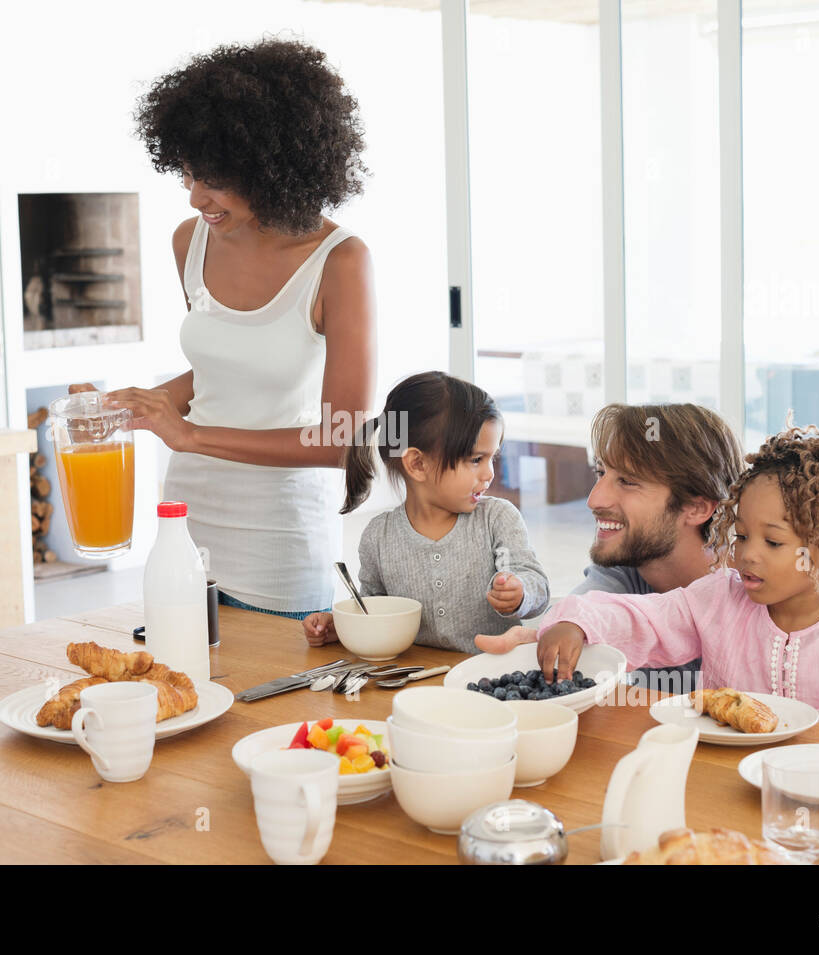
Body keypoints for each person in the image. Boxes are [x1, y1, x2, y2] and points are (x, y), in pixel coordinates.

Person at [77, 37, 375, 619]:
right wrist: (126, 406)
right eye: (187, 174)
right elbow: (223, 368)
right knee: (187, 692)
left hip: (280, 543)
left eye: (212, 179)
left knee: (272, 709)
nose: (195, 197)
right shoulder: (190, 242)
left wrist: (190, 436)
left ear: (271, 166)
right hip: (187, 522)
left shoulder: (339, 262)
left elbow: (345, 439)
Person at [476, 402, 819, 704]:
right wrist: (558, 625)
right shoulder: (660, 587)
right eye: (745, 536)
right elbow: (619, 617)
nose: (593, 499)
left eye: (627, 481)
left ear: (699, 507)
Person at [501, 426, 819, 739]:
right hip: (719, 779)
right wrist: (576, 622)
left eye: (773, 541)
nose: (748, 553)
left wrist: (800, 723)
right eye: (741, 535)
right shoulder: (720, 598)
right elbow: (644, 620)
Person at [303, 372, 549, 654]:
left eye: (492, 457)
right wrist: (346, 625)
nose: (489, 473)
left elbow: (536, 584)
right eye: (476, 460)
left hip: (491, 677)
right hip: (415, 679)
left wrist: (521, 593)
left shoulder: (497, 519)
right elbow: (373, 608)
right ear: (417, 464)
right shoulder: (378, 537)